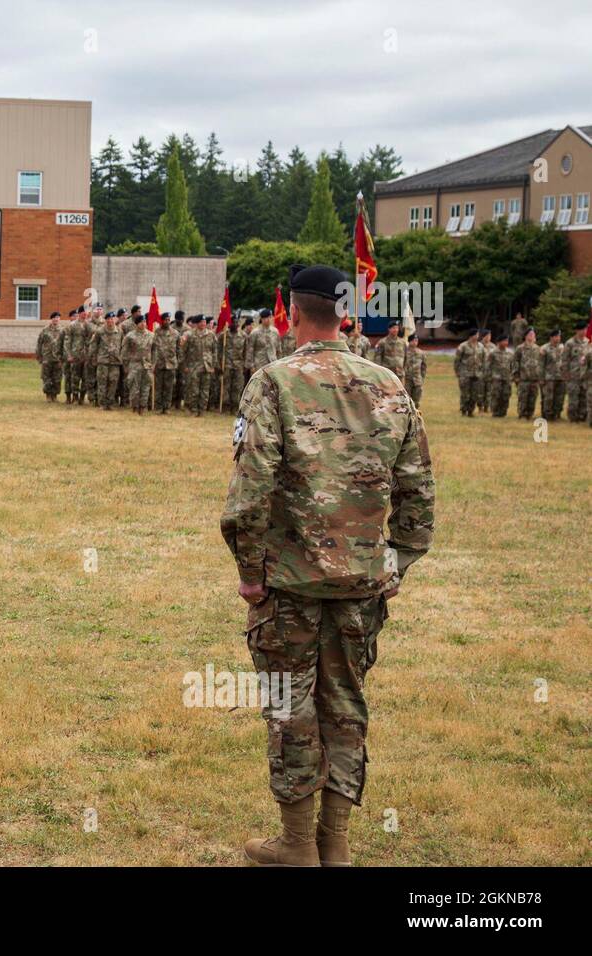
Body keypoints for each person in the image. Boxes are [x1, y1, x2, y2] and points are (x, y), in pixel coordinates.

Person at [222, 263, 435, 867]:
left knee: (292, 705)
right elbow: (418, 489)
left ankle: (298, 846)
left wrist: (250, 571)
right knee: (344, 703)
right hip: (361, 585)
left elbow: (250, 492)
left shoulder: (273, 382)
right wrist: (395, 561)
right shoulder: (389, 384)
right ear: (346, 312)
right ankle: (333, 846)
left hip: (289, 584)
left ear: (291, 311)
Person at [120, 312, 153, 414]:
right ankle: (135, 406)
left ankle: (143, 407)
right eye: (141, 322)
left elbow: (155, 350)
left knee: (146, 387)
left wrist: (154, 363)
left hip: (147, 365)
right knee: (134, 387)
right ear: (136, 324)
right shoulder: (130, 336)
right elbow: (124, 351)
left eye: (144, 321)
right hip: (134, 364)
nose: (143, 324)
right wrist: (125, 365)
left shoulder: (151, 335)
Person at [453, 329, 484, 416]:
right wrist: (457, 372)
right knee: (465, 394)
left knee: (474, 394)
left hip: (477, 374)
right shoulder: (463, 346)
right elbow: (457, 360)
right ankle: (464, 410)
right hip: (465, 374)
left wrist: (482, 371)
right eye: (476, 335)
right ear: (472, 336)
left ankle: (471, 411)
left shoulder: (481, 346)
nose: (478, 336)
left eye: (478, 335)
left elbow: (483, 360)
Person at [513, 328, 541, 419]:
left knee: (532, 397)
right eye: (530, 334)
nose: (532, 336)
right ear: (525, 336)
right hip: (524, 378)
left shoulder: (537, 348)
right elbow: (515, 362)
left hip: (535, 378)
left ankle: (530, 414)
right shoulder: (520, 348)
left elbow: (540, 363)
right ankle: (522, 414)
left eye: (533, 334)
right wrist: (516, 376)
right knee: (523, 398)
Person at [37, 311, 64, 401]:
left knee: (57, 378)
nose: (56, 319)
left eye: (58, 318)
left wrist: (63, 358)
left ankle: (55, 395)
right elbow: (39, 344)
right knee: (46, 377)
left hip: (58, 358)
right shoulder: (45, 330)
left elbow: (65, 345)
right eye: (54, 318)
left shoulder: (62, 330)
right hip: (47, 357)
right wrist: (39, 356)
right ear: (51, 319)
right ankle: (48, 395)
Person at [563, 328, 588, 423]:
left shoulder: (588, 342)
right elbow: (565, 360)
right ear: (577, 331)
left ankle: (582, 416)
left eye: (585, 330)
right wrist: (566, 374)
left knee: (584, 397)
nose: (584, 332)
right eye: (582, 330)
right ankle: (573, 418)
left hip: (585, 375)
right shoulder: (570, 343)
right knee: (573, 398)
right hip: (573, 375)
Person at [540, 329, 565, 421]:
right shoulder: (544, 348)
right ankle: (547, 415)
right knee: (548, 397)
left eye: (559, 336)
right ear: (552, 337)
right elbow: (541, 364)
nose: (558, 338)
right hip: (549, 377)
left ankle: (557, 414)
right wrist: (541, 378)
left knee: (559, 397)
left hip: (561, 377)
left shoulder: (562, 347)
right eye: (557, 336)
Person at [485, 333, 513, 417]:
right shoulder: (492, 352)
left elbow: (512, 365)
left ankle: (503, 411)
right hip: (496, 378)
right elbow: (488, 366)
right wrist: (488, 377)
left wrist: (513, 376)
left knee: (506, 395)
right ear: (499, 342)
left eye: (507, 341)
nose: (506, 343)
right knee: (496, 395)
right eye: (504, 341)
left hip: (507, 378)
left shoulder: (510, 353)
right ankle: (495, 412)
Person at [404, 333, 428, 407]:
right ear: (409, 341)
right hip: (407, 379)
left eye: (416, 340)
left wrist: (422, 378)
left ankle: (415, 415)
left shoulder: (421, 353)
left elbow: (423, 367)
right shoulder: (404, 352)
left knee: (416, 400)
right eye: (413, 340)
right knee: (406, 399)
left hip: (417, 380)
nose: (415, 342)